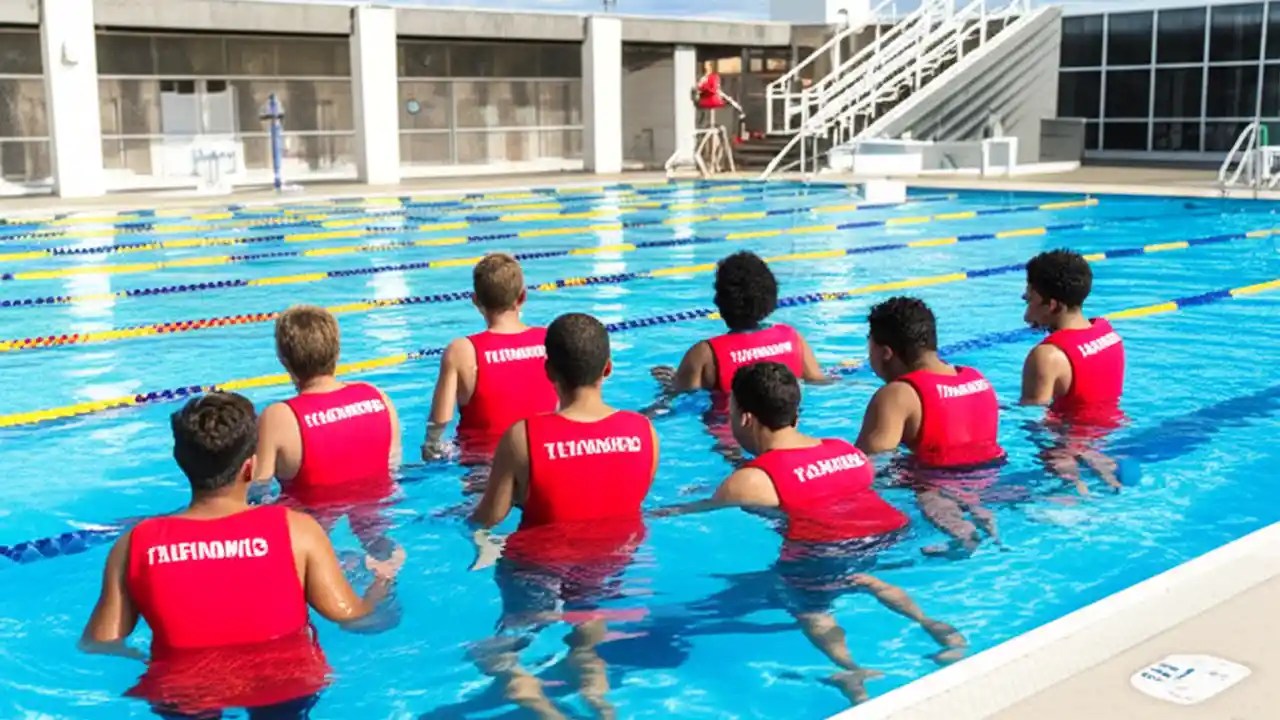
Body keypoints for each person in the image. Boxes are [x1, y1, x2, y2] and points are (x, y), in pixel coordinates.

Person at [81, 392, 403, 719]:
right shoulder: (297, 531)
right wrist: (384, 580)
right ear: (250, 467)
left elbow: (100, 643)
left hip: (183, 692)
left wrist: (156, 665)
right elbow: (358, 620)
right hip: (284, 684)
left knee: (180, 692)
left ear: (180, 461)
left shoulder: (135, 544)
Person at [657, 363, 964, 704]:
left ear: (745, 418)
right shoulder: (846, 451)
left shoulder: (751, 479)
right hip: (890, 534)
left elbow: (696, 511)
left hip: (826, 550)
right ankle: (934, 626)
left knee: (805, 604)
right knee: (863, 577)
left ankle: (851, 669)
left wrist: (657, 511)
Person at [470, 312, 660, 720]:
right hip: (610, 562)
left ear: (548, 371)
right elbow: (621, 498)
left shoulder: (523, 436)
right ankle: (600, 703)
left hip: (537, 567)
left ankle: (539, 703)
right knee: (587, 639)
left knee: (494, 653)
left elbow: (489, 518)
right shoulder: (643, 431)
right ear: (608, 368)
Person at [855, 297, 1005, 556]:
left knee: (924, 490)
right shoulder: (976, 378)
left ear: (886, 352)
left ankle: (964, 539)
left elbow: (863, 468)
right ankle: (988, 528)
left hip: (936, 482)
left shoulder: (898, 395)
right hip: (990, 475)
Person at [255, 305, 402, 559]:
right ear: (337, 350)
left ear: (283, 360)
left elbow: (256, 492)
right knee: (380, 548)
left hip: (310, 516)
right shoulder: (377, 397)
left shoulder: (279, 417)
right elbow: (393, 466)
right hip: (375, 503)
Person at [651, 251, 828, 462]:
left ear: (720, 301)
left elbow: (680, 400)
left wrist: (668, 383)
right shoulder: (792, 339)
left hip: (732, 440)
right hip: (786, 432)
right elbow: (819, 381)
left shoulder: (705, 354)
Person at [422, 253, 558, 484]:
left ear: (476, 300)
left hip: (485, 469)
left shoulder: (461, 351)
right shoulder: (549, 340)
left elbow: (438, 427)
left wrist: (432, 451)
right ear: (523, 296)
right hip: (545, 460)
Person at [1020, 249, 1126, 492]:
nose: (1026, 315)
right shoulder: (1108, 334)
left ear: (1052, 305)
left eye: (1029, 300)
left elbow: (1033, 421)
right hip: (1110, 434)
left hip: (1066, 449)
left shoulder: (1047, 356)